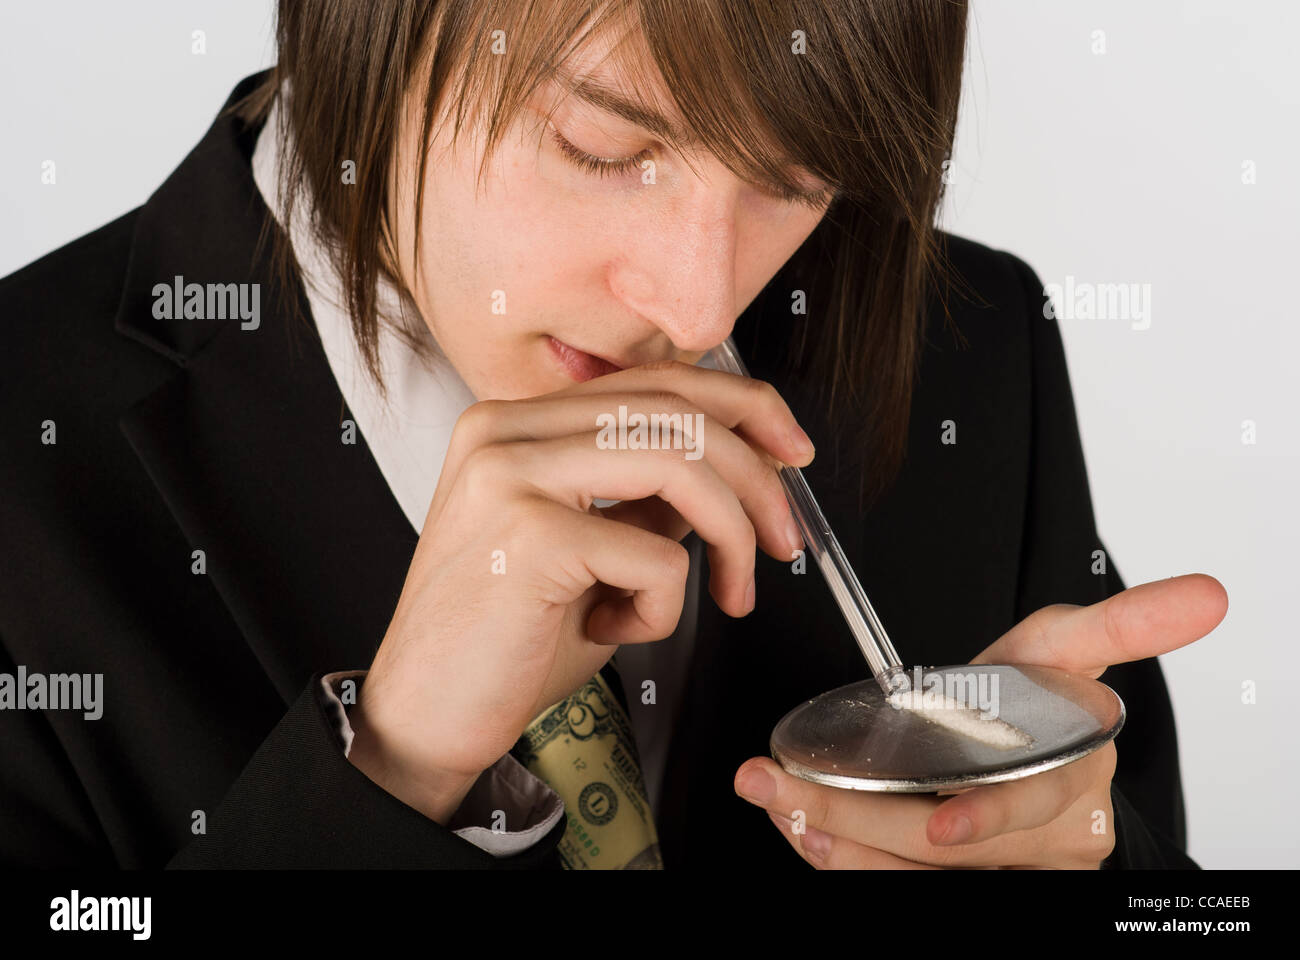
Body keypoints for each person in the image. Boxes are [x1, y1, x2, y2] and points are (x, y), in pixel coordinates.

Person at [0, 0, 1225, 870]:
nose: (699, 308)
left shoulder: (973, 344)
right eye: (604, 147)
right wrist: (391, 765)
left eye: (798, 179)